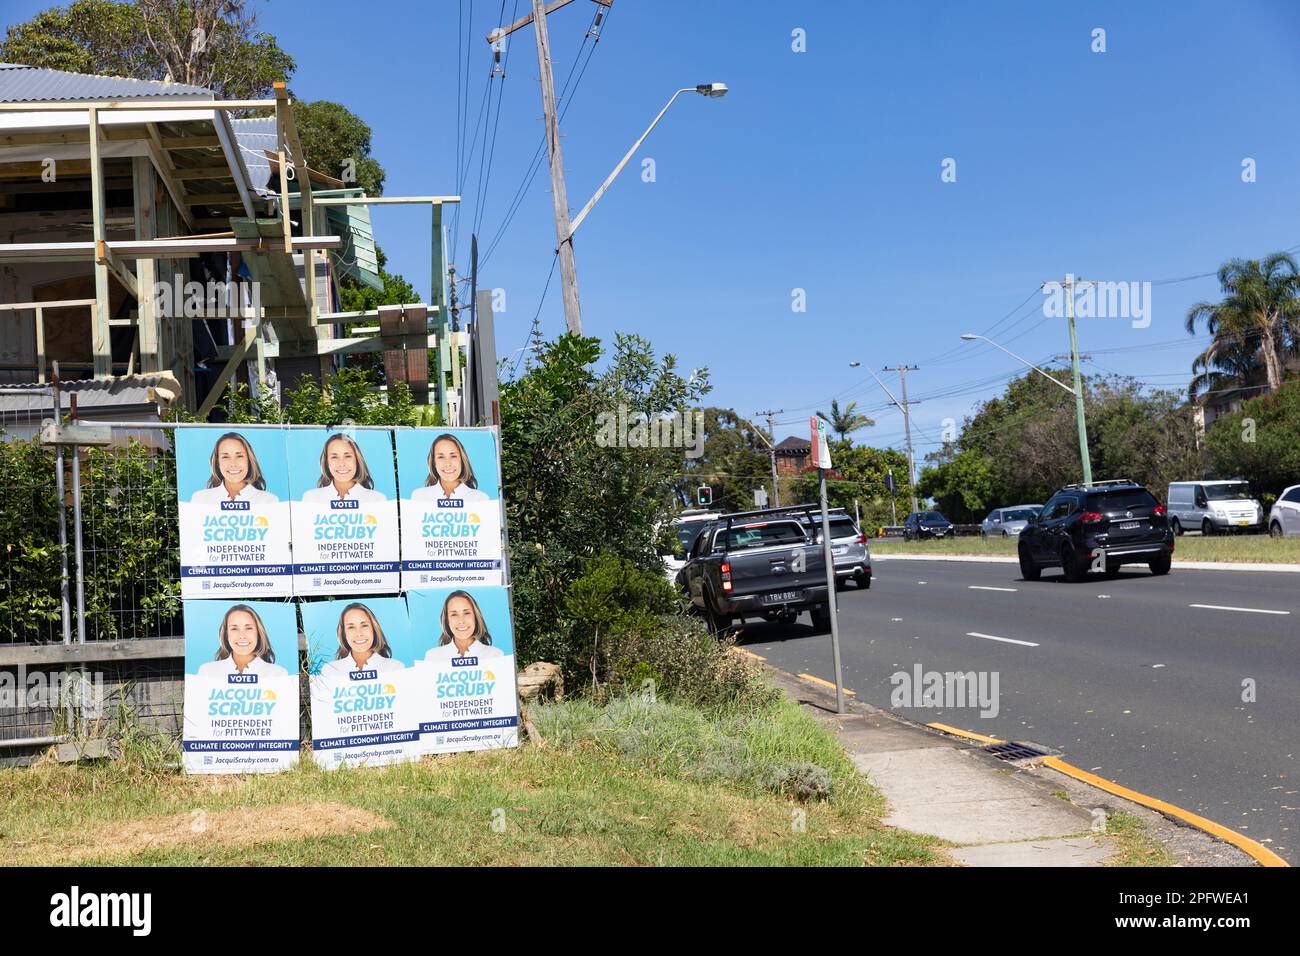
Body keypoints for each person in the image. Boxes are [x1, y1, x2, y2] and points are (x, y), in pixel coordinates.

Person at [197, 605, 289, 678]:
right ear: (226, 634)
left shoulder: (278, 674)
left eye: (249, 628)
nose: (242, 636)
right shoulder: (207, 672)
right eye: (234, 629)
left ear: (258, 632)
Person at [319, 603, 405, 679]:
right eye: (351, 627)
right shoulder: (330, 671)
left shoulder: (395, 668)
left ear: (374, 629)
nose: (359, 633)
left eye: (364, 625)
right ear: (344, 633)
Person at [190, 432, 279, 504]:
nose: (233, 464)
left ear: (249, 460)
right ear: (217, 463)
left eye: (239, 456)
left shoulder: (269, 501)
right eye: (225, 457)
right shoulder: (200, 500)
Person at [422, 591, 505, 663]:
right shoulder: (432, 657)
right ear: (447, 620)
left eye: (466, 613)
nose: (461, 620)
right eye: (454, 614)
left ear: (475, 616)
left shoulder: (495, 655)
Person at [301, 434, 386, 503]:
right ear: (327, 463)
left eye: (348, 456)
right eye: (334, 457)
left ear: (357, 460)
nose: (341, 463)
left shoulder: (377, 499)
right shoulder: (311, 498)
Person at [408, 434, 489, 504]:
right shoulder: (419, 497)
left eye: (453, 456)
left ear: (462, 460)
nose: (448, 463)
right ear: (434, 463)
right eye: (441, 457)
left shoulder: (480, 499)